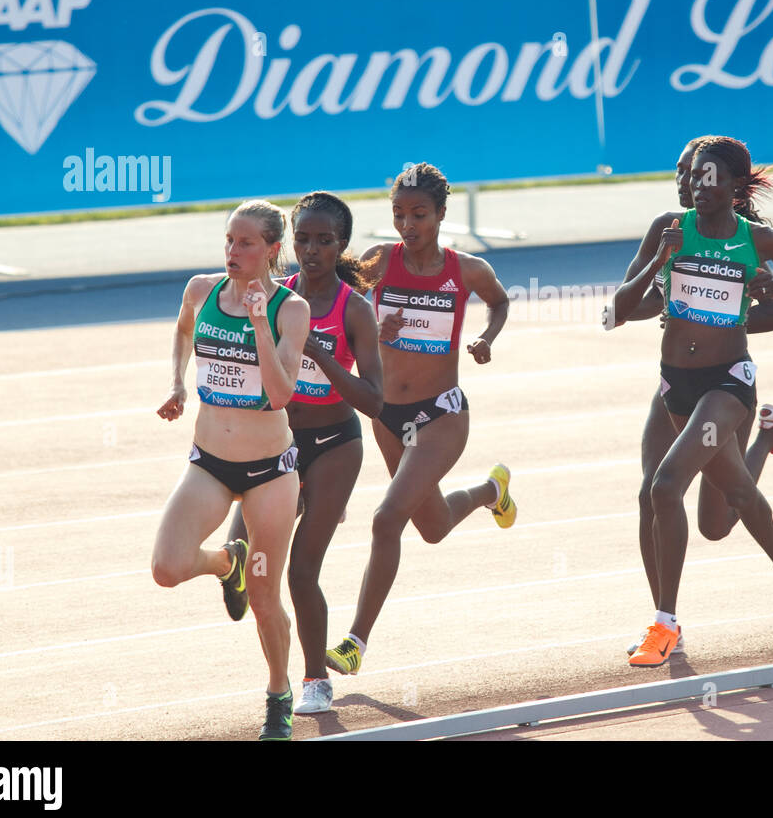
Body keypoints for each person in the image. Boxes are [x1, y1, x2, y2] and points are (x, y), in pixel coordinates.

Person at [612, 136, 773, 667]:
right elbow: (619, 309)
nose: (691, 185)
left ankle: (665, 625)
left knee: (665, 486)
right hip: (673, 386)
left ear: (733, 186)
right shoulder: (670, 228)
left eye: (704, 177)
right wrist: (660, 266)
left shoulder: (757, 239)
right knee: (707, 516)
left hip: (727, 385)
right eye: (685, 175)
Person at [323, 163, 514, 676]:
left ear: (441, 215)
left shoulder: (468, 269)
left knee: (387, 519)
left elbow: (499, 303)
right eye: (399, 214)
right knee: (431, 528)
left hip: (441, 414)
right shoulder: (379, 261)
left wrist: (485, 339)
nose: (408, 225)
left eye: (419, 215)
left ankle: (354, 642)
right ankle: (491, 492)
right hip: (387, 414)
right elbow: (344, 308)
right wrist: (378, 322)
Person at [152, 200, 311, 740]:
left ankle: (278, 694)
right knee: (166, 568)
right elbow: (180, 331)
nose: (232, 252)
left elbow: (281, 392)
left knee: (266, 601)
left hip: (270, 473)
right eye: (228, 240)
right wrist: (177, 382)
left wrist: (260, 320)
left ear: (272, 250)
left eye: (245, 243)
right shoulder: (201, 291)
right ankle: (226, 562)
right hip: (210, 465)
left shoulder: (291, 309)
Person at [222, 192, 384, 715]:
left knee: (301, 571)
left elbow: (375, 401)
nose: (312, 250)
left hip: (337, 444)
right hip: (280, 444)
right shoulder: (276, 296)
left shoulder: (354, 309)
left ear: (341, 246)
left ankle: (315, 679)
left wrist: (323, 358)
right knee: (239, 562)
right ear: (289, 242)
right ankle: (239, 578)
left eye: (324, 241)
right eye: (304, 239)